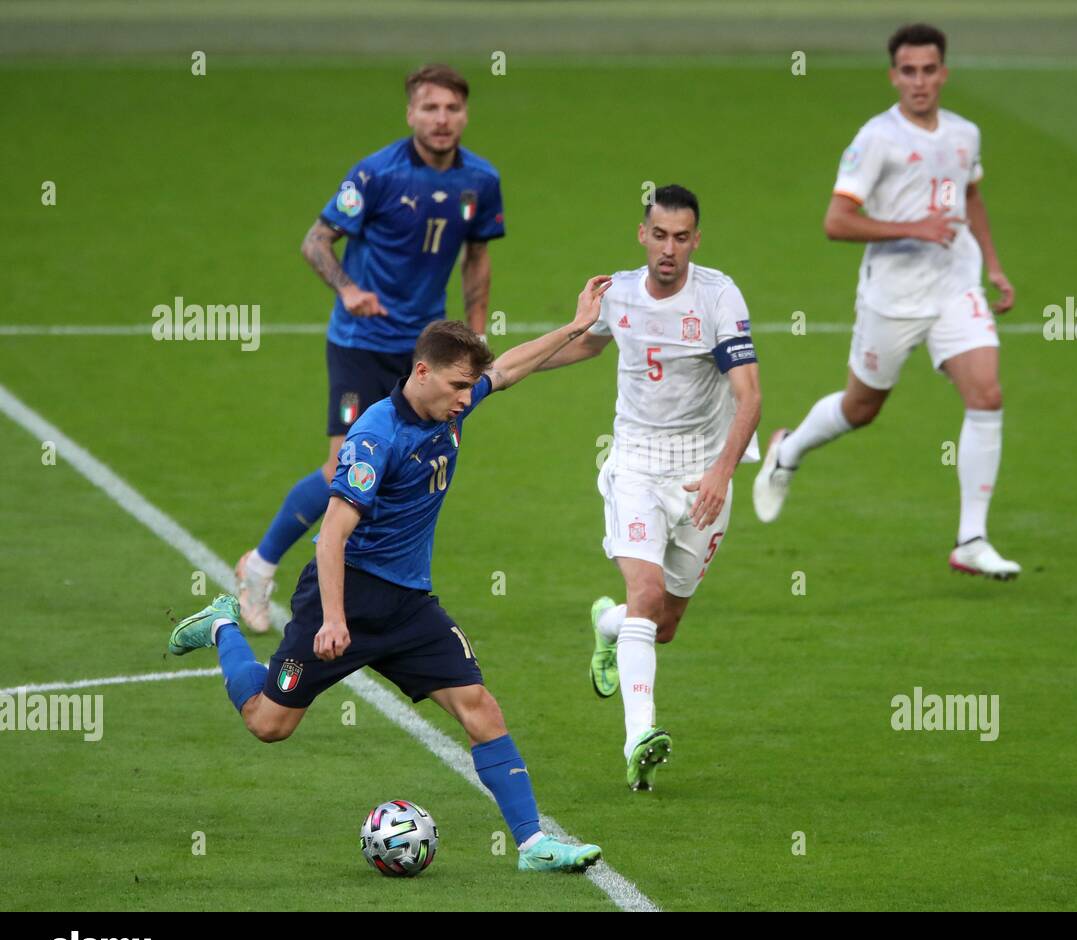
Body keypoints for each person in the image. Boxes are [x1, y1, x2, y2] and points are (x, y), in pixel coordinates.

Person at [169, 276, 611, 873]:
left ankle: (533, 844)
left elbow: (504, 370)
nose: (467, 397)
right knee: (269, 724)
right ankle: (223, 625)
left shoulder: (449, 405)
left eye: (467, 387)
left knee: (480, 707)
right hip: (347, 597)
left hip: (408, 607)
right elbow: (331, 535)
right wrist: (331, 618)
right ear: (422, 372)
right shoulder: (376, 437)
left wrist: (577, 324)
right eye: (458, 385)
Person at [237, 64, 506, 632]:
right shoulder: (376, 174)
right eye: (430, 108)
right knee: (343, 464)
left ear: (466, 114)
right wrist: (349, 289)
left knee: (405, 461)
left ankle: (371, 582)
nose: (441, 119)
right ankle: (261, 565)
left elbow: (477, 256)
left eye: (452, 109)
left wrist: (475, 340)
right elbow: (315, 241)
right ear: (411, 113)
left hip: (425, 353)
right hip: (360, 343)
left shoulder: (480, 180)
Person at [752, 23, 1020, 580]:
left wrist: (992, 264)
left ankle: (971, 538)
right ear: (893, 76)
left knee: (987, 394)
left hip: (955, 287)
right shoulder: (877, 139)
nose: (919, 82)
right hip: (893, 296)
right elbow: (836, 221)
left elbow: (971, 195)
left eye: (929, 70)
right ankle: (788, 449)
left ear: (943, 73)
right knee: (861, 409)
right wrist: (915, 228)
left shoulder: (966, 133)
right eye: (908, 71)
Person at [535, 185, 762, 791]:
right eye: (659, 235)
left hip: (702, 473)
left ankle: (607, 625)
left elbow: (750, 396)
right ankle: (640, 737)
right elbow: (589, 340)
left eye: (681, 237)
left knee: (661, 622)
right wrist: (506, 368)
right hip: (634, 463)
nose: (669, 248)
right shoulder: (622, 293)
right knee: (646, 589)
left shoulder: (718, 296)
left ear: (696, 239)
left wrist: (720, 473)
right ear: (642, 235)